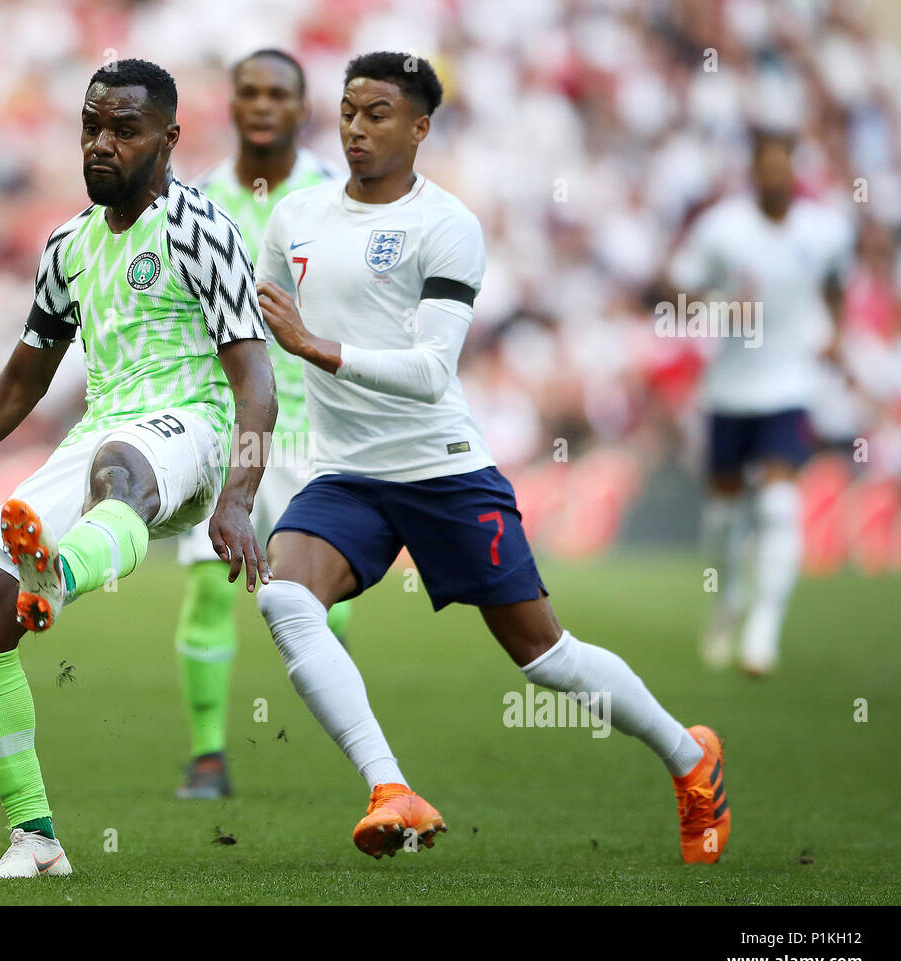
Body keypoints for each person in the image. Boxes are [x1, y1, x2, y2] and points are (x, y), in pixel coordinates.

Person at [252, 51, 729, 864]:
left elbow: (432, 371)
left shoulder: (449, 226)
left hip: (441, 468)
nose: (356, 128)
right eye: (348, 110)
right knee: (286, 599)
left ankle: (692, 761)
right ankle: (388, 787)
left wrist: (317, 348)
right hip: (347, 475)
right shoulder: (295, 217)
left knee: (545, 658)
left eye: (378, 114)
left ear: (420, 127)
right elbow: (257, 339)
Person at [0, 59, 276, 879]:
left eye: (124, 130)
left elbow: (255, 382)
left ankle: (58, 574)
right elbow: (25, 376)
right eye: (91, 128)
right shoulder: (67, 246)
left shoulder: (199, 230)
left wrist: (238, 497)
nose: (101, 145)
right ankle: (36, 838)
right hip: (106, 430)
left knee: (119, 466)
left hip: (193, 431)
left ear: (168, 139)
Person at [172, 48, 346, 800]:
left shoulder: (335, 199)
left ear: (303, 107)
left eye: (280, 93)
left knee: (322, 598)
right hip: (224, 427)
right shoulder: (196, 199)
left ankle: (350, 747)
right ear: (232, 104)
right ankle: (208, 757)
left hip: (312, 431)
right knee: (212, 588)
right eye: (250, 92)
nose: (264, 105)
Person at [667, 130, 853, 675]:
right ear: (753, 174)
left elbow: (836, 285)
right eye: (765, 170)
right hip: (728, 388)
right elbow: (675, 289)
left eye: (783, 169)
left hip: (789, 388)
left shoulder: (825, 230)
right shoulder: (722, 230)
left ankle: (762, 632)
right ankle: (727, 605)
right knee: (724, 516)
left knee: (776, 504)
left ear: (795, 173)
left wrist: (836, 334)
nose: (775, 179)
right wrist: (712, 307)